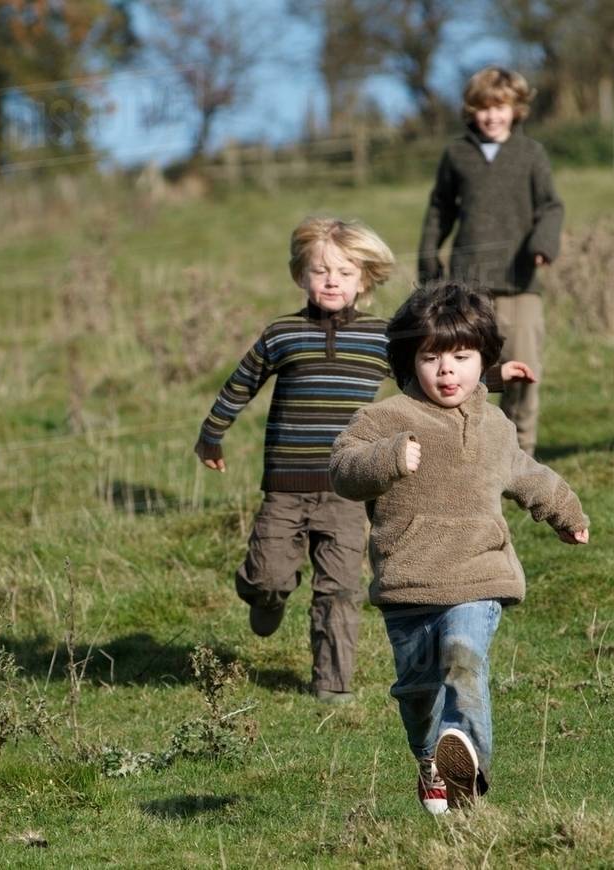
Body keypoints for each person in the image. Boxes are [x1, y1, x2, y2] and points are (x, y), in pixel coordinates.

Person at [195, 218, 534, 705]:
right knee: (269, 572)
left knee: (339, 587)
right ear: (300, 275)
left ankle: (332, 684)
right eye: (320, 270)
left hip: (352, 487)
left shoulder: (381, 339)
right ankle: (264, 594)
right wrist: (212, 435)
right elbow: (241, 384)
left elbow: (433, 378)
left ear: (366, 278)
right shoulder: (282, 334)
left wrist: (495, 377)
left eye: (345, 271)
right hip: (286, 485)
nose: (332, 280)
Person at [329, 281, 588, 814]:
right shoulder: (385, 418)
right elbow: (342, 469)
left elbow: (526, 474)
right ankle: (432, 760)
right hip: (407, 583)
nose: (448, 370)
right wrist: (388, 458)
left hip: (477, 576)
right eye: (432, 357)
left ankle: (468, 774)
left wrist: (566, 513)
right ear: (409, 361)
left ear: (482, 359)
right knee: (418, 692)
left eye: (462, 356)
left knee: (463, 662)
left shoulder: (495, 425)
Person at [417, 67, 564, 457]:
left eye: (500, 107)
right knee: (464, 376)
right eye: (483, 108)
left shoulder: (531, 153)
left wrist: (543, 244)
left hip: (520, 283)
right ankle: (462, 457)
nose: (491, 116)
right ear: (471, 110)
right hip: (468, 289)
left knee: (523, 374)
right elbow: (439, 209)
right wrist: (429, 259)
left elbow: (551, 206)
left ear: (516, 109)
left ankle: (521, 461)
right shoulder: (456, 153)